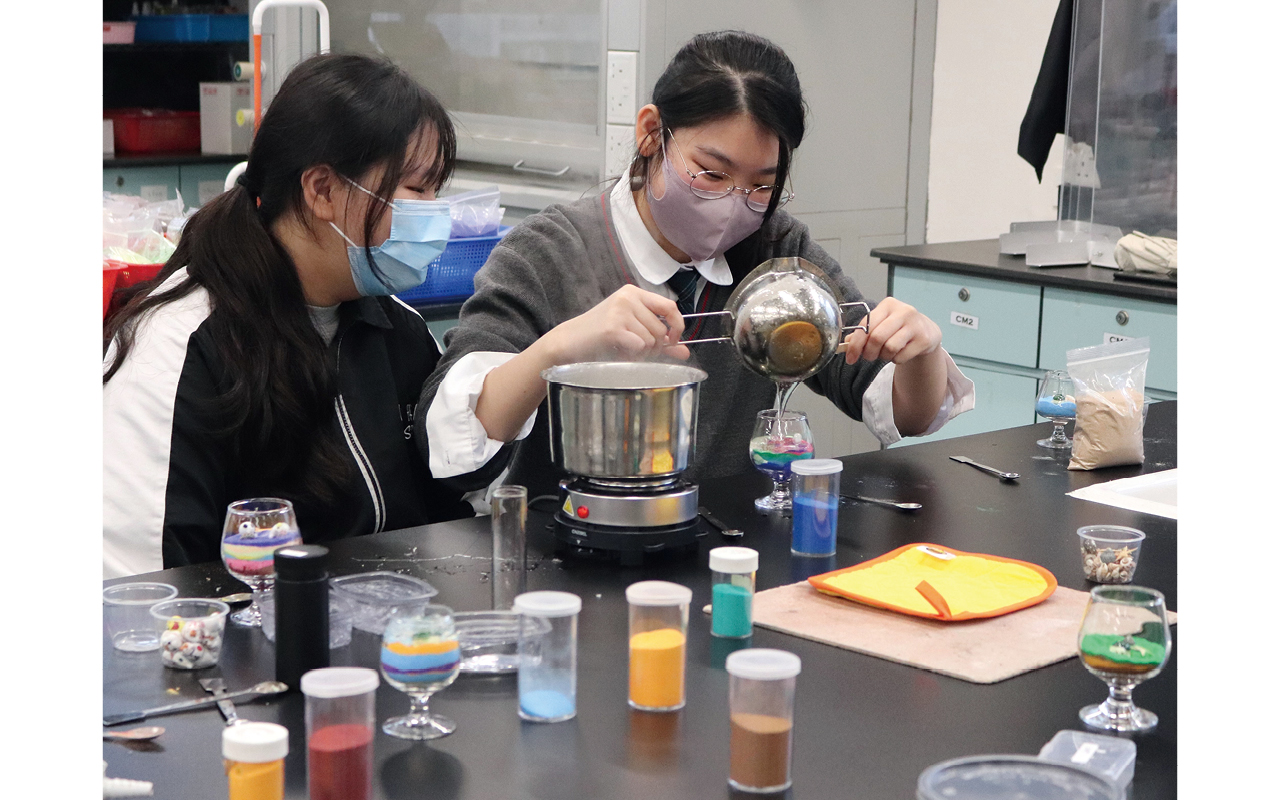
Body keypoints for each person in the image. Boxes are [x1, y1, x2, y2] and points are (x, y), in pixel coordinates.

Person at [416, 31, 974, 500]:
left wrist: (920, 353)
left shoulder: (777, 250)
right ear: (651, 133)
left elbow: (902, 409)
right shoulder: (548, 252)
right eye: (710, 173)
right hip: (572, 556)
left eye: (761, 186)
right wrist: (559, 349)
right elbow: (451, 436)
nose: (733, 203)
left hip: (730, 548)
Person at [102, 54, 473, 578]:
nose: (435, 213)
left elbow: (445, 517)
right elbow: (143, 588)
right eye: (416, 189)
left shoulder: (398, 330)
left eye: (437, 191)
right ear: (322, 190)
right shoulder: (177, 350)